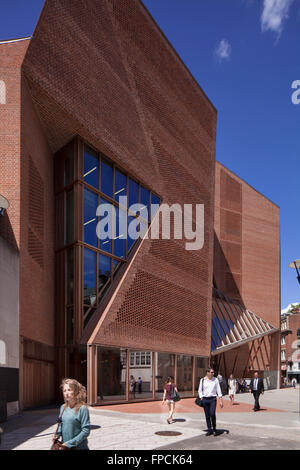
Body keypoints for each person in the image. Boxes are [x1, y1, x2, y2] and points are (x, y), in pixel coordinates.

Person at [52, 378, 90, 450]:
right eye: (64, 391)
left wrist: (70, 443)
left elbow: (86, 431)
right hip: (65, 447)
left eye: (69, 390)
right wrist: (57, 435)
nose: (66, 393)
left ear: (75, 391)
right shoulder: (62, 407)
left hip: (79, 447)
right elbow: (60, 424)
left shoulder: (82, 408)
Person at [199, 368, 223, 436]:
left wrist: (221, 400)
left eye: (213, 372)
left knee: (212, 414)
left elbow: (218, 390)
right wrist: (201, 398)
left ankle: (214, 428)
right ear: (207, 372)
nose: (213, 373)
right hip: (205, 399)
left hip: (213, 399)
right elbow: (200, 390)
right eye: (211, 372)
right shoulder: (202, 380)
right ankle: (209, 429)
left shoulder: (215, 380)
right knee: (207, 415)